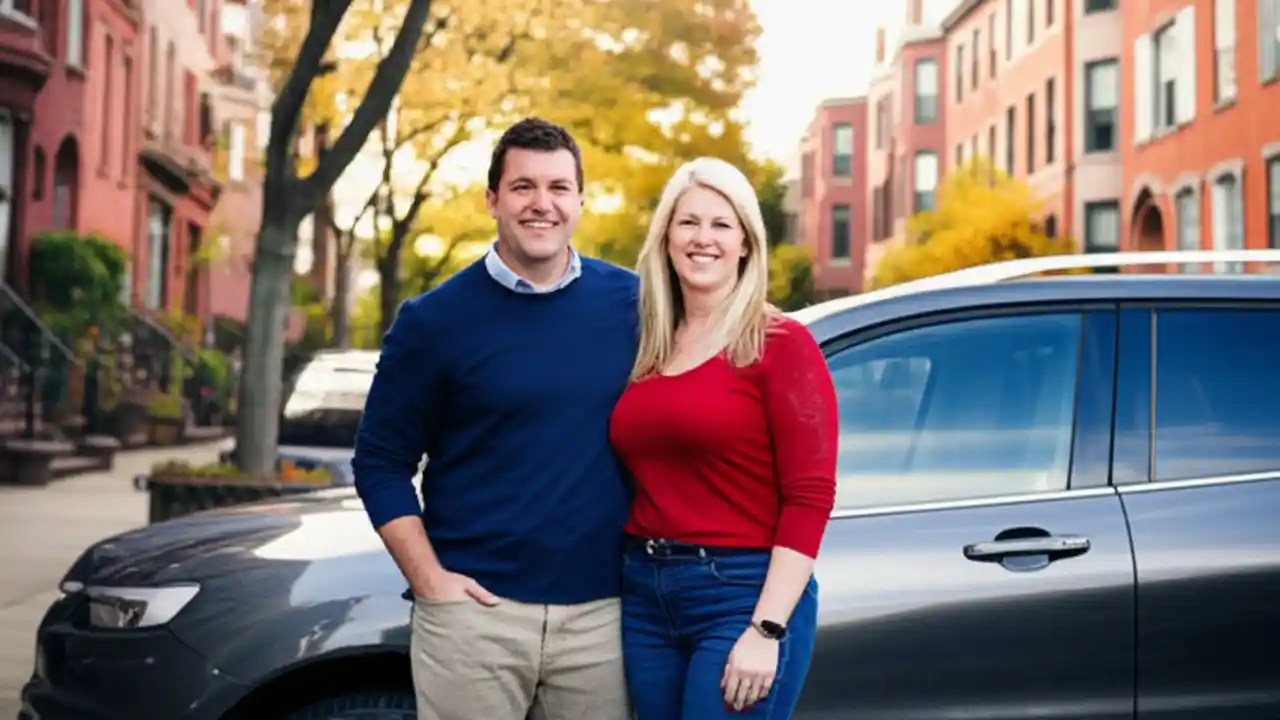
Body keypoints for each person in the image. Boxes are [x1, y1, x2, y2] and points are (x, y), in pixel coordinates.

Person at [351, 117, 638, 720]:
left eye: (559, 188)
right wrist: (429, 581)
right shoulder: (433, 322)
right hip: (473, 622)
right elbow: (380, 462)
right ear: (492, 201)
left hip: (603, 620)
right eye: (523, 187)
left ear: (580, 201)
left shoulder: (634, 305)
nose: (543, 204)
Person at [608, 157, 838, 719]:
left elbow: (811, 496)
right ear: (665, 238)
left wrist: (767, 628)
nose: (702, 239)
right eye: (688, 223)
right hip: (646, 593)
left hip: (740, 592)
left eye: (720, 224)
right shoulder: (649, 345)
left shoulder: (781, 344)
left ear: (745, 244)